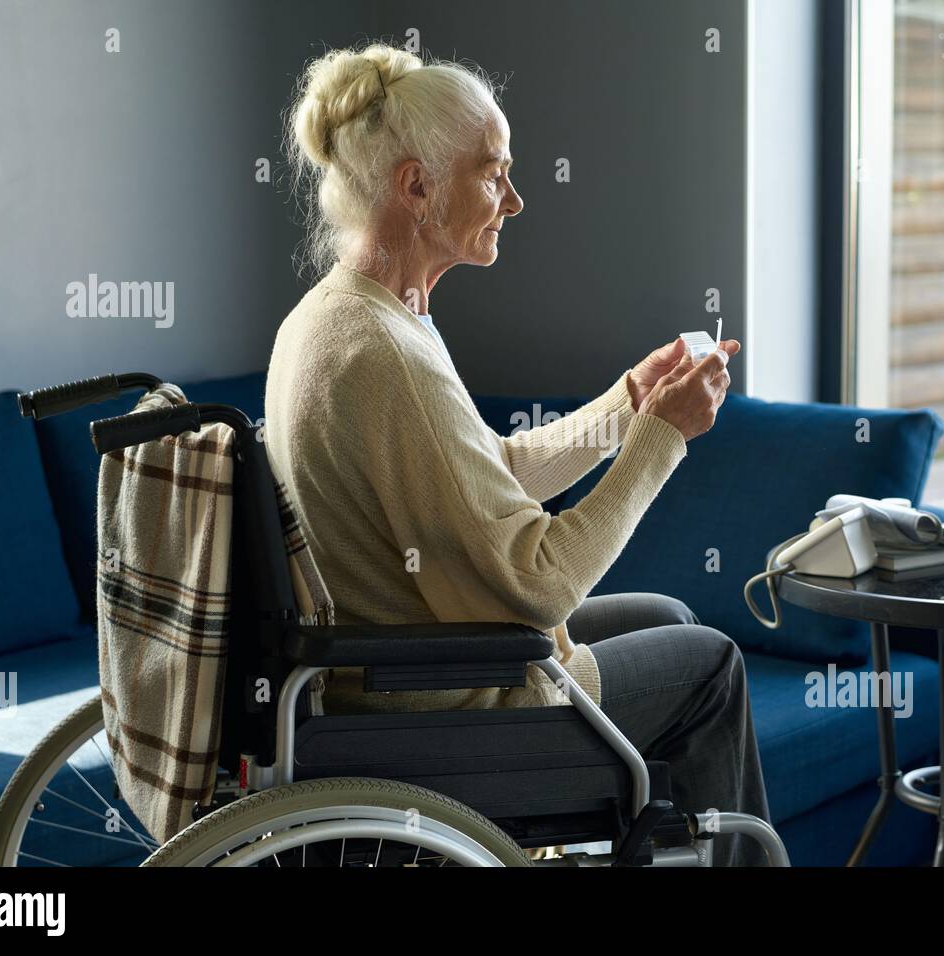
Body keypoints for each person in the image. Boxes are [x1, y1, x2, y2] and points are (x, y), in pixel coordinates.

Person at [264, 42, 770, 865]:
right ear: (416, 185)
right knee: (710, 666)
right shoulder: (383, 354)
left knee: (666, 621)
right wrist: (663, 437)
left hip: (395, 671)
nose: (517, 199)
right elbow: (539, 582)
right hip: (440, 709)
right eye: (494, 172)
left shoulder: (347, 318)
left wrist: (625, 408)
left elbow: (483, 471)